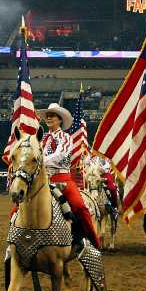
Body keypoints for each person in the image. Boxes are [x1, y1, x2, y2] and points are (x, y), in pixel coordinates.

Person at [38, 103, 101, 249]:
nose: (48, 118)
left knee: (80, 207)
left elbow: (60, 155)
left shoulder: (65, 137)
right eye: (47, 116)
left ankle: (92, 243)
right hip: (43, 179)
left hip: (62, 179)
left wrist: (40, 161)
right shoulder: (43, 138)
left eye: (52, 116)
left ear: (60, 119)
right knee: (19, 206)